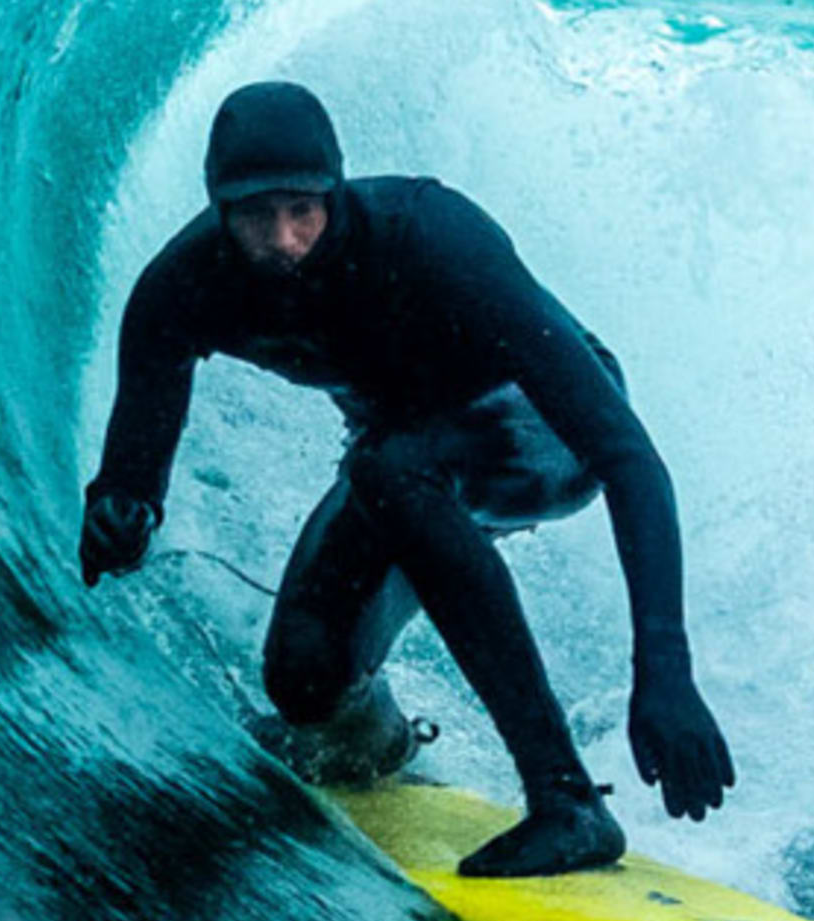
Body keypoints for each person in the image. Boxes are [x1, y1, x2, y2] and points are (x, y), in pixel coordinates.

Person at [77, 78, 734, 879]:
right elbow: (133, 471)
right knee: (304, 677)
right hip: (407, 459)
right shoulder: (182, 288)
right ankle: (376, 749)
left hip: (544, 439)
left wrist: (665, 670)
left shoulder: (430, 236)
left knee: (390, 468)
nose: (283, 239)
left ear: (335, 191)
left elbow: (629, 455)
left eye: (302, 210)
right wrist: (122, 511)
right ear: (220, 207)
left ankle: (567, 801)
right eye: (256, 215)